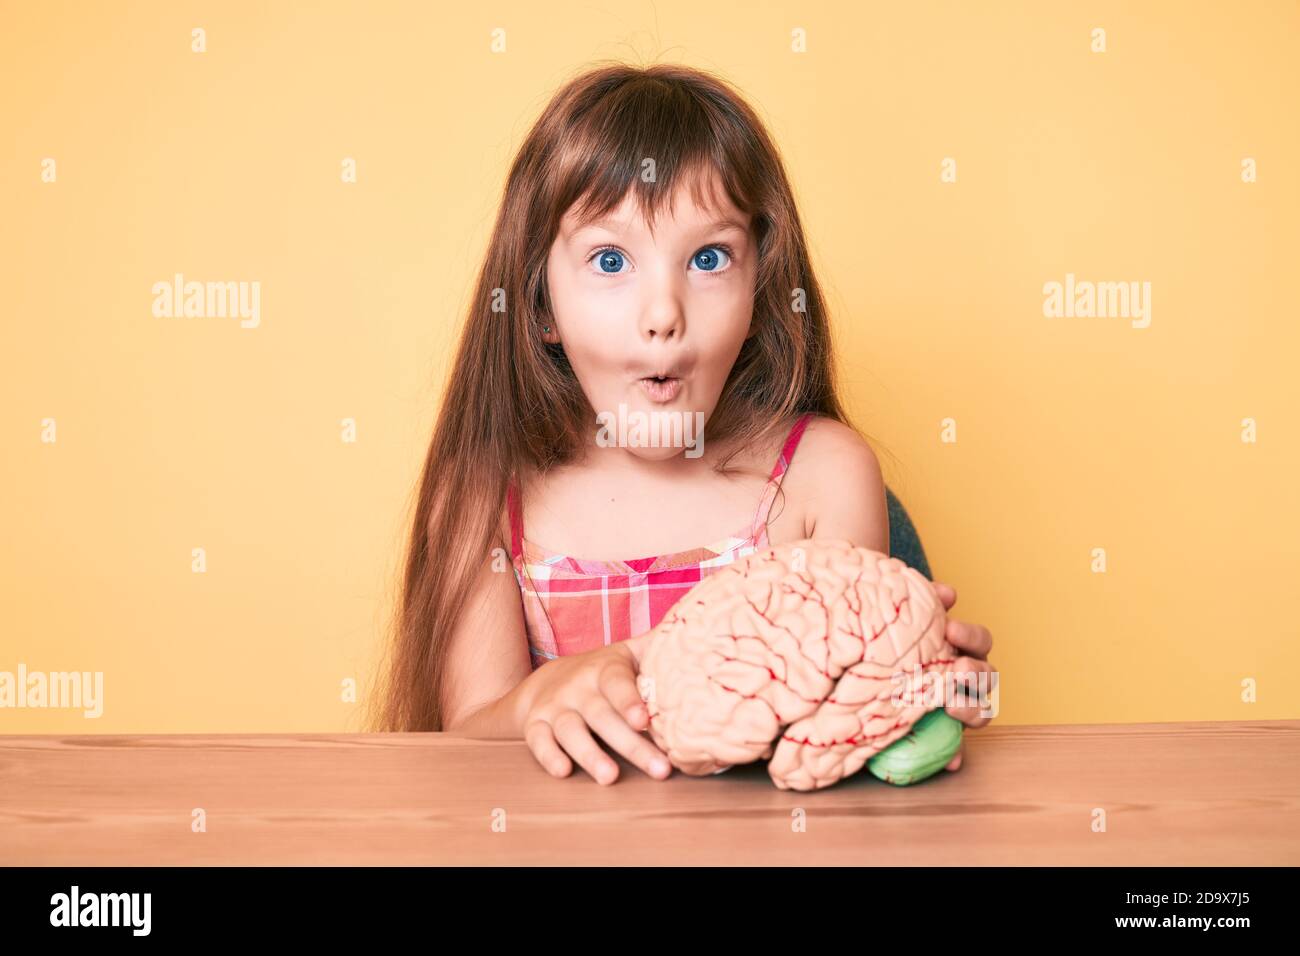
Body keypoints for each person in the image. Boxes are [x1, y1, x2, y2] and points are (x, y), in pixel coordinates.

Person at [370, 63, 995, 785]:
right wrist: (534, 702)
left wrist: (944, 694)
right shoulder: (484, 495)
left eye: (707, 258)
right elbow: (463, 750)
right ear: (539, 305)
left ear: (761, 291)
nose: (663, 313)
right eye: (610, 260)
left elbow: (854, 731)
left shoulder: (822, 479)